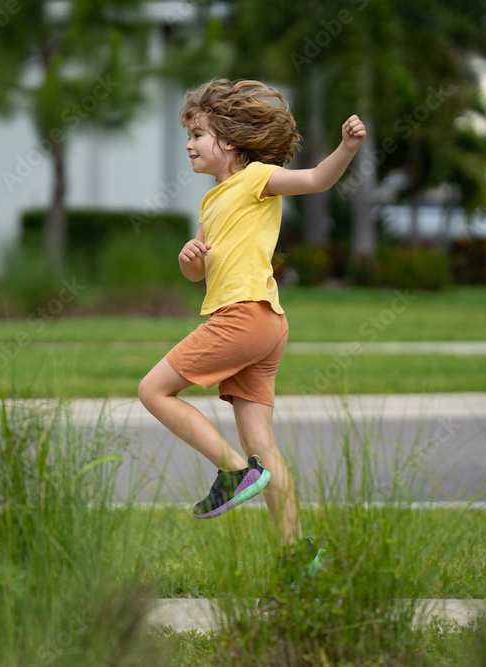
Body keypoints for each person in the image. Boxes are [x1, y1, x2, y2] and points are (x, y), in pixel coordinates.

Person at [137, 78, 365, 604]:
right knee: (265, 447)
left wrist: (346, 149)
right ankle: (298, 559)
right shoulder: (212, 201)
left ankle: (233, 472)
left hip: (242, 318)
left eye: (198, 134)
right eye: (188, 136)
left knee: (153, 391)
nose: (190, 144)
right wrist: (188, 262)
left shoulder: (257, 178)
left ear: (232, 142)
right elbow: (203, 274)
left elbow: (314, 180)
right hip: (265, 323)